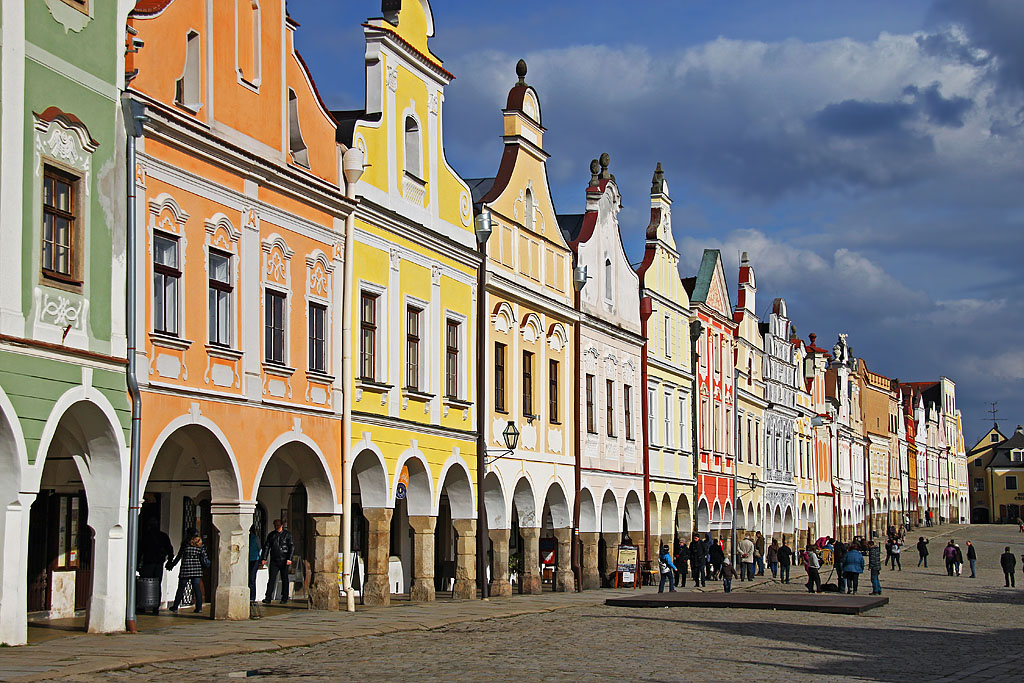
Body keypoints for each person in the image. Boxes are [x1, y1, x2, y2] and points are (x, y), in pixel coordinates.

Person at [137, 516, 174, 615]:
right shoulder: (163, 536)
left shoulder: (146, 536)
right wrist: (170, 561)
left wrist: (137, 563)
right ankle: (155, 607)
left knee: (146, 583)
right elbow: (170, 550)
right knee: (157, 584)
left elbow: (140, 550)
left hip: (149, 562)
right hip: (158, 562)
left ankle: (144, 605)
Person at [167, 531, 210, 613]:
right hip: (197, 569)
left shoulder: (185, 544)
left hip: (186, 569)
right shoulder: (200, 545)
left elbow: (179, 556)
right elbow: (204, 556)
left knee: (181, 588)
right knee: (197, 589)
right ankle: (199, 607)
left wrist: (172, 565)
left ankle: (175, 606)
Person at [261, 518, 294, 604]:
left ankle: (285, 597)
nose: (276, 527)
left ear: (282, 525)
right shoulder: (272, 535)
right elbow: (267, 546)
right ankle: (268, 597)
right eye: (275, 525)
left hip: (284, 559)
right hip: (274, 560)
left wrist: (289, 558)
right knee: (271, 579)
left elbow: (291, 547)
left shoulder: (287, 535)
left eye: (278, 525)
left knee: (284, 579)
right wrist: (264, 558)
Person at [248, 525, 262, 603]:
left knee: (252, 579)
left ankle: (252, 597)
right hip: (246, 560)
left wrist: (261, 559)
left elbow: (259, 549)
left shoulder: (255, 538)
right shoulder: (245, 537)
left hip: (254, 560)